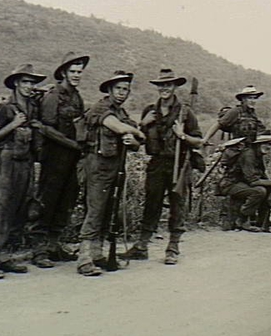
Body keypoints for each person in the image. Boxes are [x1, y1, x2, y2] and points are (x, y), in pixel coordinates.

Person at [120, 69, 203, 265]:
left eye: (168, 84)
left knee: (177, 204)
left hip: (179, 164)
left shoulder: (185, 112)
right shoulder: (149, 111)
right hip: (156, 163)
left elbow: (198, 141)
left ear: (175, 87)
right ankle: (142, 247)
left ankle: (173, 247)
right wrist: (142, 124)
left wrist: (182, 135)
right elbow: (140, 139)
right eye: (161, 85)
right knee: (152, 203)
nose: (164, 88)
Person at [0, 64, 50, 280]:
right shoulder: (4, 109)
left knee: (19, 209)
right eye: (25, 82)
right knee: (1, 209)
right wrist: (13, 125)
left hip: (25, 163)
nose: (30, 86)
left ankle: (4, 257)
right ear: (16, 84)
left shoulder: (31, 108)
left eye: (32, 83)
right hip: (6, 163)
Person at [75, 71, 144, 276]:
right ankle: (84, 258)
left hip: (114, 169)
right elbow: (117, 127)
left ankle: (97, 254)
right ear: (109, 89)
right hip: (96, 167)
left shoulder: (122, 113)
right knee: (95, 210)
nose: (122, 93)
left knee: (108, 211)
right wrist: (137, 134)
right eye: (119, 88)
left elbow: (135, 140)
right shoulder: (101, 108)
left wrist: (135, 141)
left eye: (126, 89)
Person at [29, 52, 90, 264]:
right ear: (63, 72)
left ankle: (54, 245)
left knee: (66, 201)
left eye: (79, 72)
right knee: (47, 200)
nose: (76, 75)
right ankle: (39, 250)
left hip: (72, 158)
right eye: (73, 71)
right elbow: (45, 128)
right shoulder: (53, 95)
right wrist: (72, 144)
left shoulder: (77, 97)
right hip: (54, 157)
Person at [218, 131, 271, 232]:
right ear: (258, 144)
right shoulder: (248, 155)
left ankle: (263, 221)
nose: (269, 147)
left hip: (241, 184)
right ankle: (243, 220)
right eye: (265, 143)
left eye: (270, 144)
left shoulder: (258, 155)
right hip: (230, 184)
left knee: (268, 189)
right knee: (259, 191)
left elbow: (261, 175)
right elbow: (253, 181)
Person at [201, 85, 267, 145]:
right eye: (250, 98)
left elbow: (261, 129)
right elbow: (218, 124)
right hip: (237, 148)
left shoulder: (252, 114)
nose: (253, 101)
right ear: (243, 99)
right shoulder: (235, 111)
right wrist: (205, 139)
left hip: (250, 147)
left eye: (255, 98)